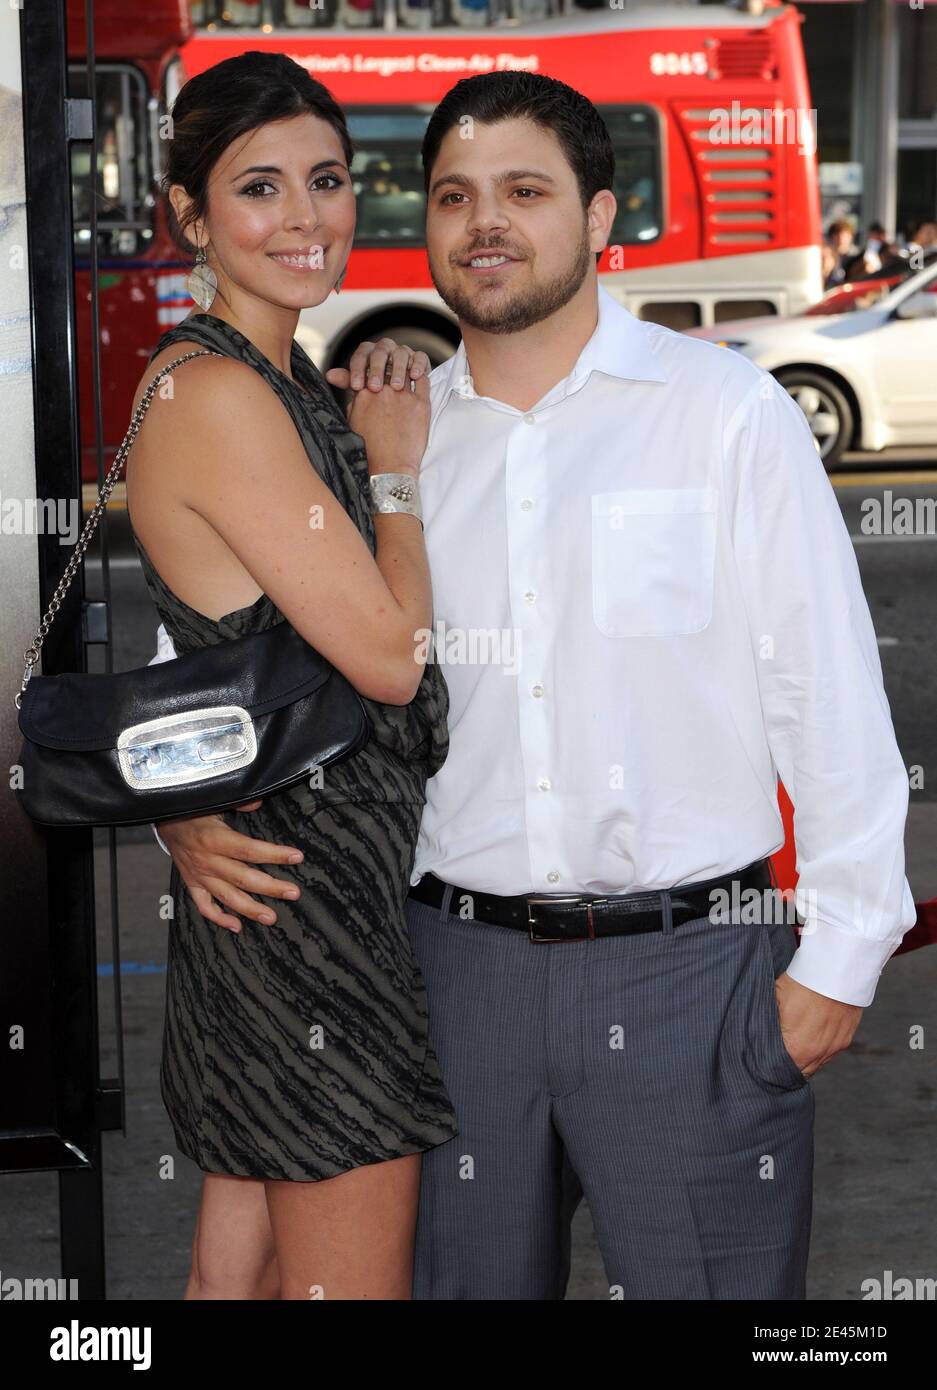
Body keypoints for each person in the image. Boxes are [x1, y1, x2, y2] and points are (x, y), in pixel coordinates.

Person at [153, 72, 916, 1299]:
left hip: (693, 975)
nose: (484, 222)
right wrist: (182, 806)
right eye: (454, 196)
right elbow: (210, 647)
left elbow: (824, 694)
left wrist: (835, 962)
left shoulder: (722, 415)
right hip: (445, 984)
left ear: (602, 218)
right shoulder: (382, 438)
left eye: (523, 191)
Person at [124, 50, 459, 1300]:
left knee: (242, 1283)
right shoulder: (217, 393)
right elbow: (384, 655)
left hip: (285, 897)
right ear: (191, 218)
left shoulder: (265, 381)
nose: (307, 215)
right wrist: (394, 474)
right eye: (258, 188)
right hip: (307, 920)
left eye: (326, 178)